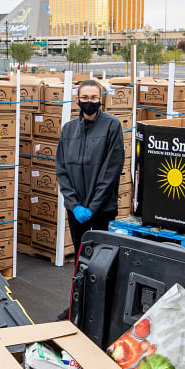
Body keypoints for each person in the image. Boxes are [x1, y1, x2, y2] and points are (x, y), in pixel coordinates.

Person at [56, 79, 124, 249]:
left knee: (103, 256)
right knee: (81, 252)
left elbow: (112, 170)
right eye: (85, 97)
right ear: (77, 100)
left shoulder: (111, 125)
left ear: (101, 99)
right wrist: (74, 205)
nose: (89, 101)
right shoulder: (68, 129)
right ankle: (79, 277)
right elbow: (62, 170)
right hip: (76, 209)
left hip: (102, 207)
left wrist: (93, 207)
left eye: (94, 97)